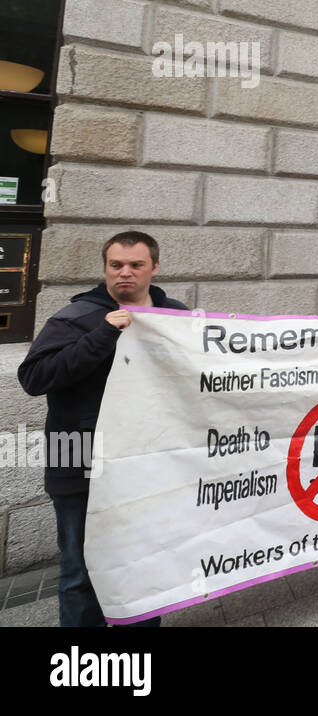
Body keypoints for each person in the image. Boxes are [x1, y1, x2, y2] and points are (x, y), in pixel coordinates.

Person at [18, 230, 185, 627]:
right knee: (79, 571)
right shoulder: (76, 317)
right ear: (106, 268)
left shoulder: (176, 315)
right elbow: (34, 378)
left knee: (144, 562)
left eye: (136, 265)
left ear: (154, 268)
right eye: (116, 265)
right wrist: (104, 334)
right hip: (77, 459)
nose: (124, 273)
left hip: (149, 463)